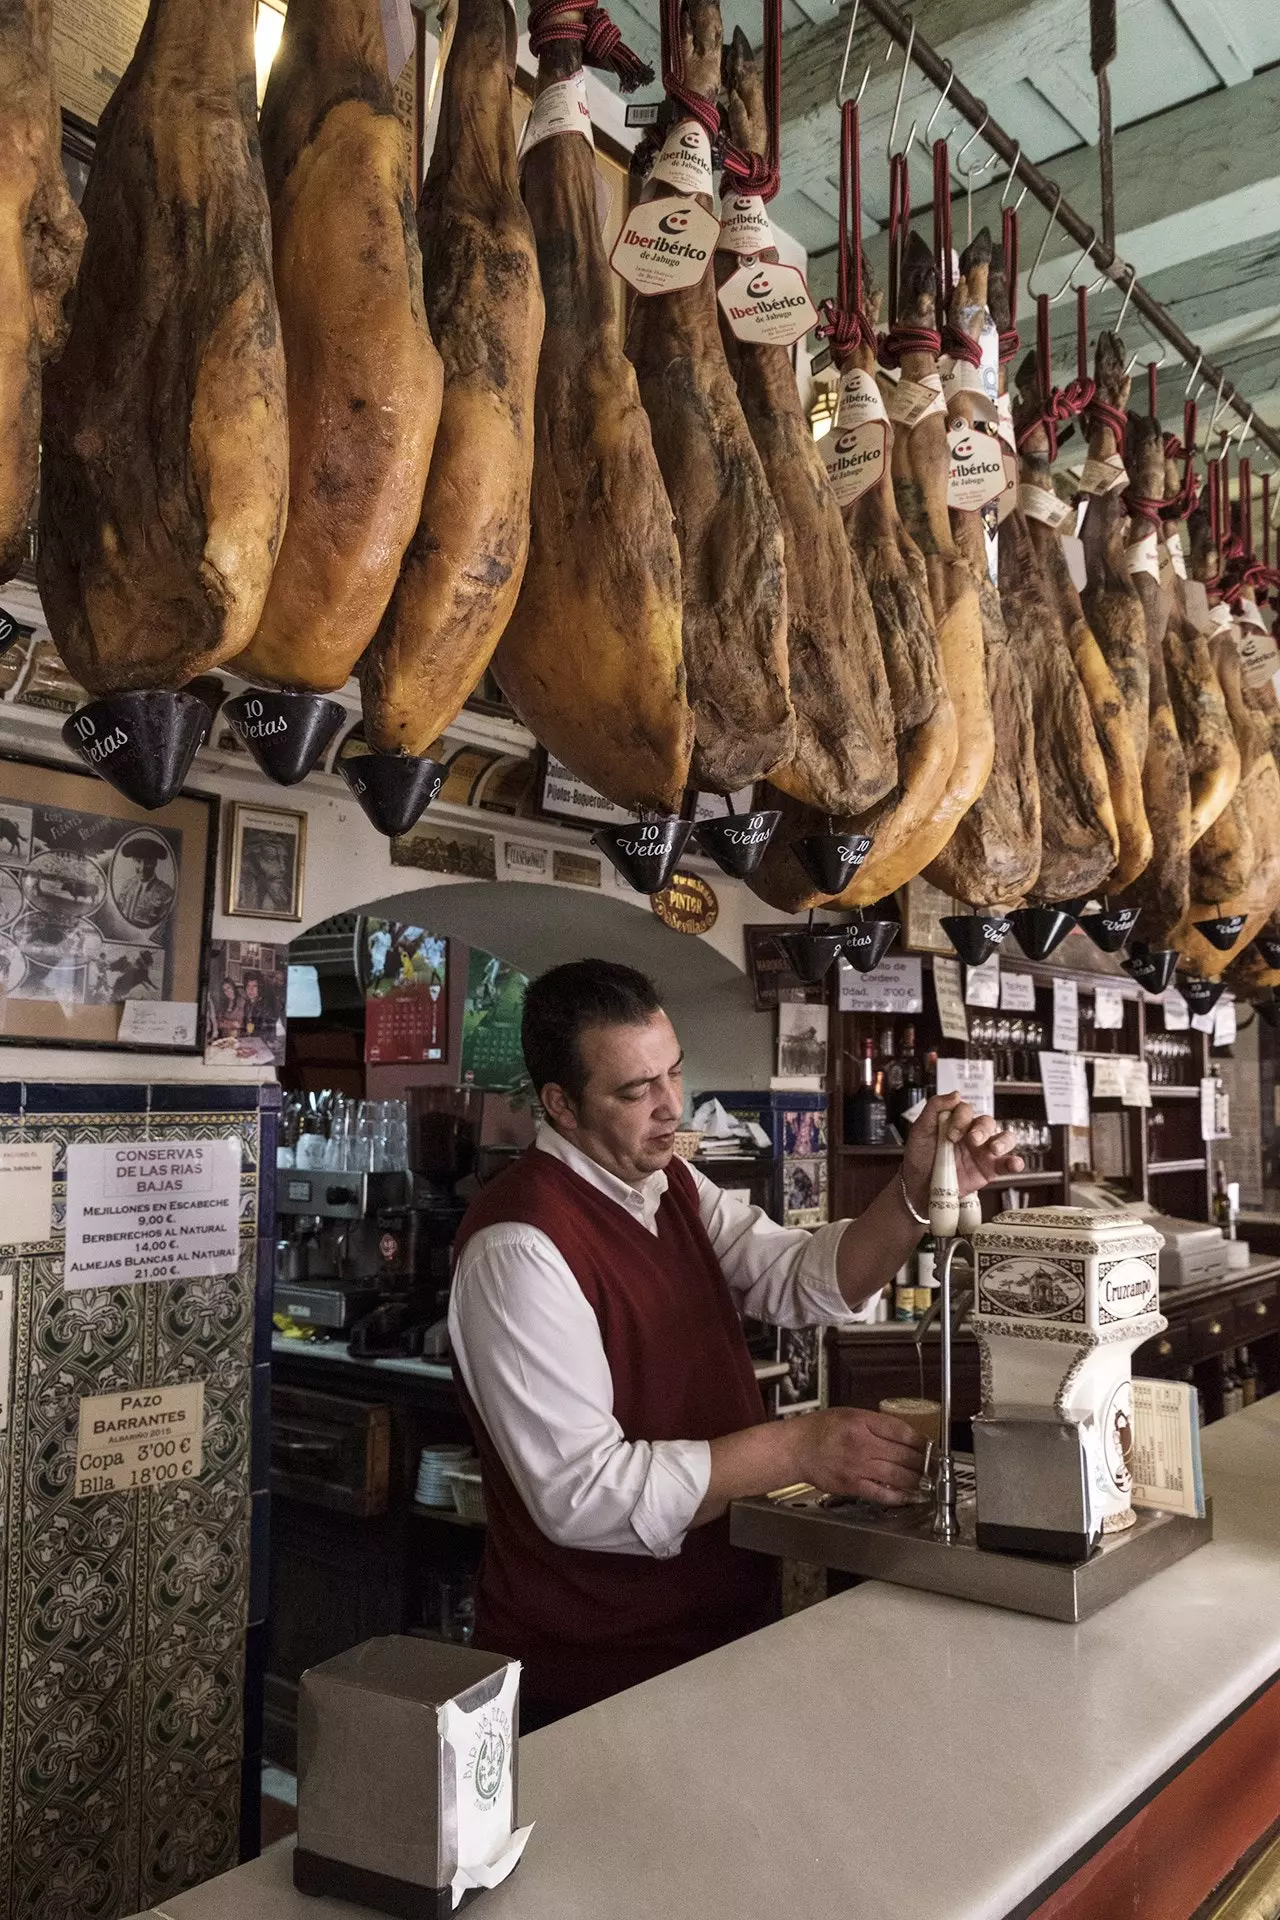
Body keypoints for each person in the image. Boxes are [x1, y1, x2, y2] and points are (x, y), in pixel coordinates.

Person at [449, 960, 1025, 1726]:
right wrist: (795, 1450)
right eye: (634, 1091)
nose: (669, 1106)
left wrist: (916, 1191)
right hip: (594, 1671)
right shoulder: (520, 1245)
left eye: (674, 1073)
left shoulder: (670, 1186)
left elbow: (802, 1278)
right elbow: (583, 1495)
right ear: (561, 1105)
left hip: (716, 1634)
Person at [116, 837, 174, 926]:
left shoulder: (166, 894)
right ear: (133, 861)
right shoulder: (126, 886)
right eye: (138, 861)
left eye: (148, 863)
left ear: (155, 863)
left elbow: (166, 927)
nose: (142, 868)